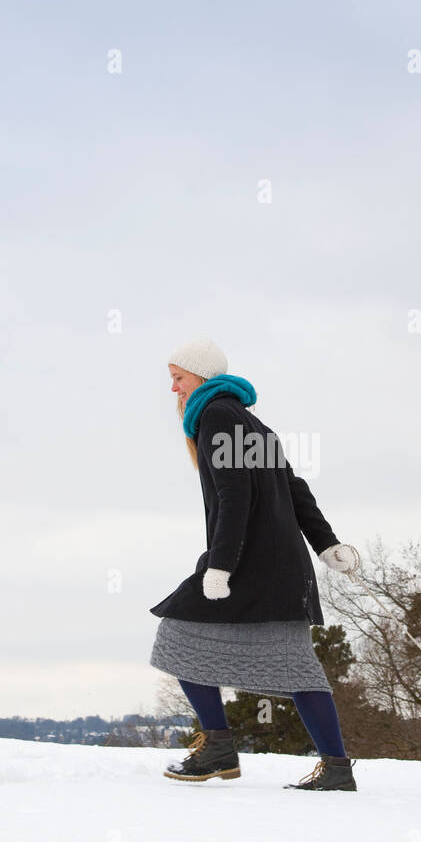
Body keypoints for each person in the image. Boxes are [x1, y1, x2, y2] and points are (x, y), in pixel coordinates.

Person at [149, 338, 360, 791]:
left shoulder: (216, 415)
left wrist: (220, 566)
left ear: (200, 377)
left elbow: (235, 495)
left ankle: (221, 747)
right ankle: (333, 768)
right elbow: (294, 486)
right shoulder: (250, 422)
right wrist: (327, 545)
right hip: (276, 564)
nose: (173, 388)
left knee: (179, 634)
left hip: (253, 563)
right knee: (293, 665)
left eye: (178, 378)